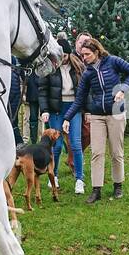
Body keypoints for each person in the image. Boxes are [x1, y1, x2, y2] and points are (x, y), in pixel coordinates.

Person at [62, 38, 129, 203]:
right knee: (97, 153)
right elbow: (79, 99)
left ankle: (118, 185)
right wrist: (67, 118)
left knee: (116, 152)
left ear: (96, 52)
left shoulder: (113, 61)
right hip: (97, 116)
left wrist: (123, 89)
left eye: (87, 54)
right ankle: (96, 190)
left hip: (116, 114)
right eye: (82, 55)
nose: (84, 58)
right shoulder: (88, 73)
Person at [44, 40, 87, 194]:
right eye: (60, 55)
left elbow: (84, 91)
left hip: (74, 108)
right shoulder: (50, 67)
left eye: (65, 55)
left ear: (69, 55)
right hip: (56, 109)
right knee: (56, 145)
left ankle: (80, 179)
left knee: (75, 144)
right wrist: (44, 110)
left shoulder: (78, 68)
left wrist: (85, 111)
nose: (62, 58)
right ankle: (53, 175)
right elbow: (43, 90)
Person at [8, 58, 23, 146]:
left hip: (11, 102)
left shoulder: (11, 75)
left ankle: (18, 142)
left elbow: (12, 92)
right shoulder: (15, 74)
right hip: (14, 101)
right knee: (13, 122)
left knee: (12, 122)